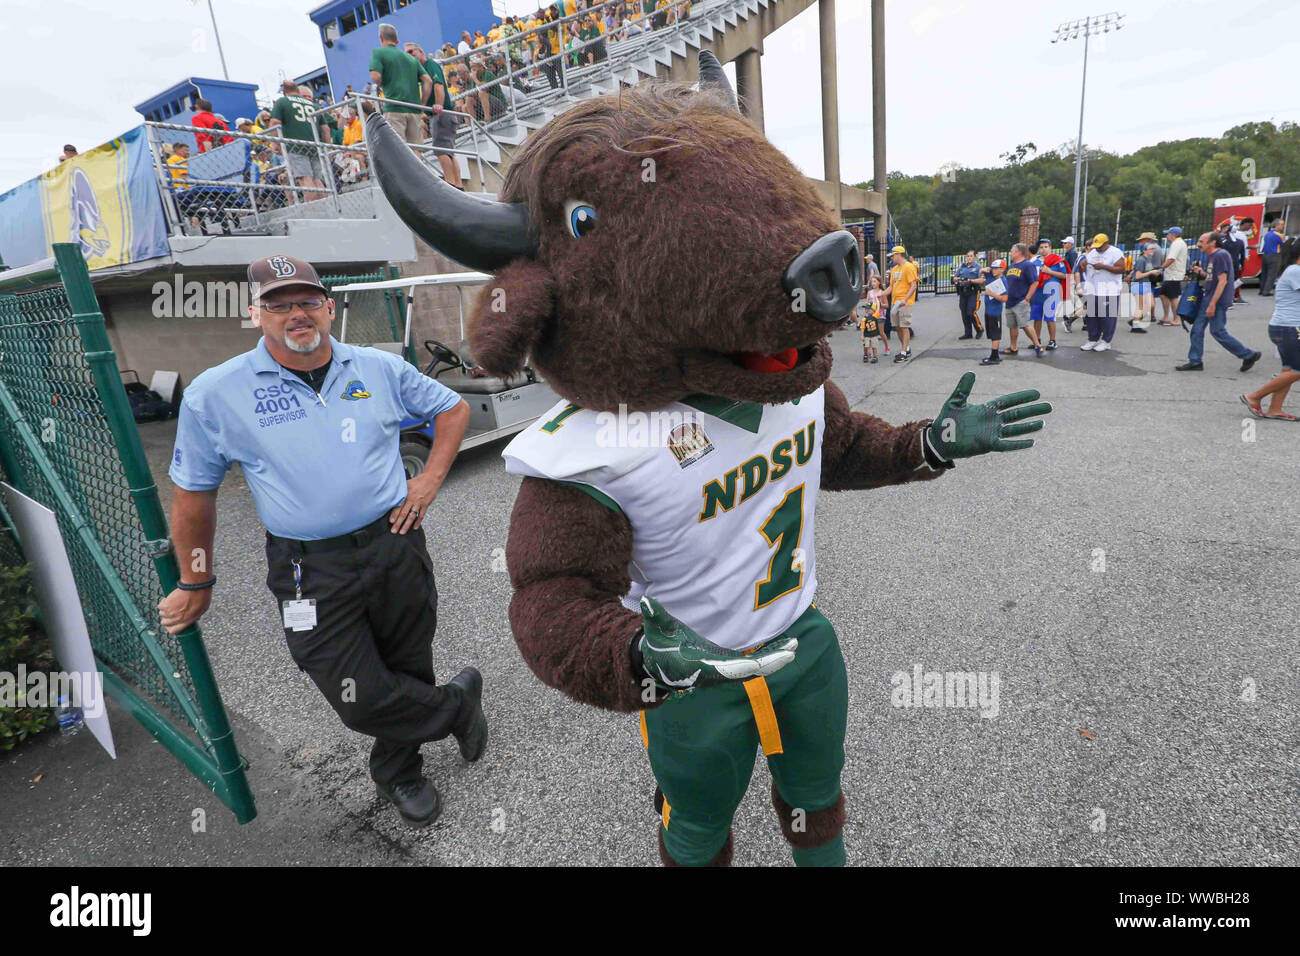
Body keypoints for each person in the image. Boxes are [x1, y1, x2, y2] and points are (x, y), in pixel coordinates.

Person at [158, 254, 486, 828]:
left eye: (308, 301)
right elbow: (193, 494)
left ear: (329, 308)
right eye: (279, 305)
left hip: (394, 541)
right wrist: (196, 580)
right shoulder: (216, 394)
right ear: (255, 314)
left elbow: (453, 408)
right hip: (308, 566)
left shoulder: (378, 368)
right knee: (354, 693)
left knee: (406, 661)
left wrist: (429, 479)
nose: (297, 314)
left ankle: (400, 769)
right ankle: (457, 706)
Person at [1175, 231, 1262, 372]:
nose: (1198, 244)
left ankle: (1248, 354)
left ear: (1212, 242)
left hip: (1216, 300)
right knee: (1198, 330)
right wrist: (1202, 272)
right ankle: (1195, 361)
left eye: (1202, 241)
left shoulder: (1220, 255)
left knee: (1218, 331)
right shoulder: (1213, 256)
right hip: (1209, 298)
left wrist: (1212, 304)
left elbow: (1222, 281)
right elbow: (1213, 278)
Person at [1242, 237, 1300, 420]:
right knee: (1296, 371)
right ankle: (1254, 397)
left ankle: (1275, 408)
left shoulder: (1293, 270)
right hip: (1289, 328)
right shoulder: (1295, 271)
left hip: (1285, 327)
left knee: (1289, 370)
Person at [406, 42, 462, 190]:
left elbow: (438, 85)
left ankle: (451, 184)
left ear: (421, 52)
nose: (409, 55)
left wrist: (439, 104)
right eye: (407, 53)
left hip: (441, 114)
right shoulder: (421, 71)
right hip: (443, 114)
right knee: (448, 151)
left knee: (441, 150)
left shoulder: (430, 65)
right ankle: (458, 184)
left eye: (411, 51)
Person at [265, 79, 331, 202]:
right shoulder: (312, 105)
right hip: (315, 146)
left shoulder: (282, 102)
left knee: (306, 179)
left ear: (284, 92)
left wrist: (275, 143)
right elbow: (325, 129)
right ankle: (327, 206)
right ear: (297, 90)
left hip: (295, 146)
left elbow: (274, 122)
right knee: (316, 179)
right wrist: (326, 146)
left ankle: (313, 212)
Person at [369, 23, 431, 147]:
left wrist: (383, 83)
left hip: (394, 108)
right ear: (396, 40)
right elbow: (428, 81)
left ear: (381, 38)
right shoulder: (411, 59)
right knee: (416, 149)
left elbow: (375, 76)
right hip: (414, 109)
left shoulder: (378, 53)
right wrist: (422, 105)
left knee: (399, 149)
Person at [1078, 234, 1125, 352]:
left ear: (1106, 243)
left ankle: (1106, 341)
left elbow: (1121, 269)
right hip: (1093, 289)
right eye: (1096, 246)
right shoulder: (1092, 253)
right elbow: (1083, 270)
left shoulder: (1116, 252)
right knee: (1091, 316)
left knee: (1107, 317)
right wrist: (1081, 266)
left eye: (1100, 246)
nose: (1097, 248)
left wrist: (1104, 267)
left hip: (1110, 290)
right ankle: (1092, 339)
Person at [999, 243, 1043, 357]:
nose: (1010, 253)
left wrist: (1027, 298)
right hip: (1010, 301)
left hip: (1021, 300)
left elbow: (1035, 282)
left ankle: (1037, 345)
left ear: (1019, 252)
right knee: (1012, 326)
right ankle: (1013, 347)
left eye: (1012, 251)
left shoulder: (1027, 265)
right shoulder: (1011, 266)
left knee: (1025, 325)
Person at [884, 245, 918, 362]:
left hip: (905, 302)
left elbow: (913, 285)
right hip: (895, 302)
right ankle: (906, 348)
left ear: (899, 255)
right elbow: (891, 286)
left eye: (893, 255)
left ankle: (903, 352)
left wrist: (905, 299)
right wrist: (881, 294)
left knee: (904, 326)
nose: (892, 258)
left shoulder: (909, 267)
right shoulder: (894, 269)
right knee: (897, 326)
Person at [1030, 238, 1064, 349]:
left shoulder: (1058, 260)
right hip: (1037, 292)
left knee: (1050, 317)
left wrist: (1050, 271)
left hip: (1051, 292)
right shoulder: (1034, 261)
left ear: (1050, 248)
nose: (1043, 249)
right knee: (1037, 317)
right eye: (1041, 247)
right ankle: (1037, 340)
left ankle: (1052, 341)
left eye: (1046, 247)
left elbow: (1065, 275)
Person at [974, 258, 1006, 365]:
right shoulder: (991, 277)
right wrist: (985, 269)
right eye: (993, 268)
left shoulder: (1003, 281)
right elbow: (980, 271)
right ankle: (994, 355)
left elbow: (1004, 298)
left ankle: (994, 356)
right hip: (988, 310)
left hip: (995, 312)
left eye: (997, 268)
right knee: (991, 333)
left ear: (1002, 269)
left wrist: (991, 294)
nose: (994, 270)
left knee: (995, 334)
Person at [1128, 240, 1161, 332]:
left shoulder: (1148, 259)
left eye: (1153, 248)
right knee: (1141, 306)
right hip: (1139, 284)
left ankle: (1135, 320)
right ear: (1144, 250)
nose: (1152, 250)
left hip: (1145, 284)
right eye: (1150, 249)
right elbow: (1138, 276)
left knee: (1150, 305)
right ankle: (1135, 326)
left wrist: (1155, 273)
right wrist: (1152, 272)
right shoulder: (1141, 260)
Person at [1159, 226, 1188, 325]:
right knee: (1163, 294)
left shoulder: (1177, 244)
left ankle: (1176, 319)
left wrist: (1161, 268)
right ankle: (1166, 317)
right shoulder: (1179, 243)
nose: (1167, 236)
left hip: (1173, 275)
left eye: (1168, 234)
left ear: (1173, 235)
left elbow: (1171, 259)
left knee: (1173, 297)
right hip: (1172, 274)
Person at [953, 250, 984, 340]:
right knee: (964, 313)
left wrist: (970, 280)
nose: (969, 258)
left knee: (971, 312)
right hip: (963, 291)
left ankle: (979, 329)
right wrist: (956, 279)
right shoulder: (962, 267)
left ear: (974, 257)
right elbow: (955, 277)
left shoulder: (978, 267)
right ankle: (968, 333)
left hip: (973, 291)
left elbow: (981, 280)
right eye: (968, 256)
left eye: (971, 256)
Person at [860, 275, 886, 363]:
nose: (873, 283)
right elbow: (867, 303)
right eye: (872, 281)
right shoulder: (869, 292)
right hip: (870, 315)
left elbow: (886, 305)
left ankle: (886, 347)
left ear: (879, 282)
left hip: (880, 315)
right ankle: (868, 353)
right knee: (869, 334)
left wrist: (879, 304)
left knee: (881, 333)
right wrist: (868, 309)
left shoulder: (882, 292)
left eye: (875, 281)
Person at [1259, 219, 1286, 296]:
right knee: (1272, 274)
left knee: (1265, 273)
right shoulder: (1279, 235)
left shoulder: (1267, 234)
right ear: (1277, 225)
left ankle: (1262, 289)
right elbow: (1284, 244)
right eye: (1281, 224)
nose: (1283, 226)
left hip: (1265, 255)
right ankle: (1267, 291)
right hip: (1274, 255)